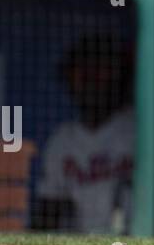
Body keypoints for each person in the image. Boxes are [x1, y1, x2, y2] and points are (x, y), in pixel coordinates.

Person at [34, 34, 135, 232]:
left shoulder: (140, 130)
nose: (91, 85)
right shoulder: (62, 140)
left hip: (136, 242)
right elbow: (47, 214)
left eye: (99, 74)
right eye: (83, 76)